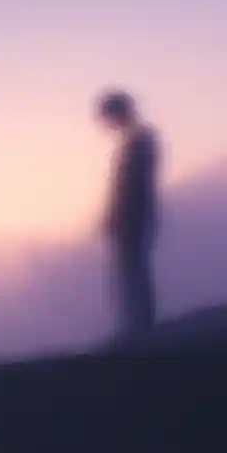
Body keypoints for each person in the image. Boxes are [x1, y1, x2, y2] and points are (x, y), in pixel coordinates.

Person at [98, 89, 160, 337]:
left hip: (133, 218)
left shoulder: (140, 140)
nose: (107, 125)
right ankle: (137, 325)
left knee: (133, 271)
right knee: (132, 271)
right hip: (132, 217)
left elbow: (132, 185)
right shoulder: (136, 140)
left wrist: (118, 215)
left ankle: (140, 328)